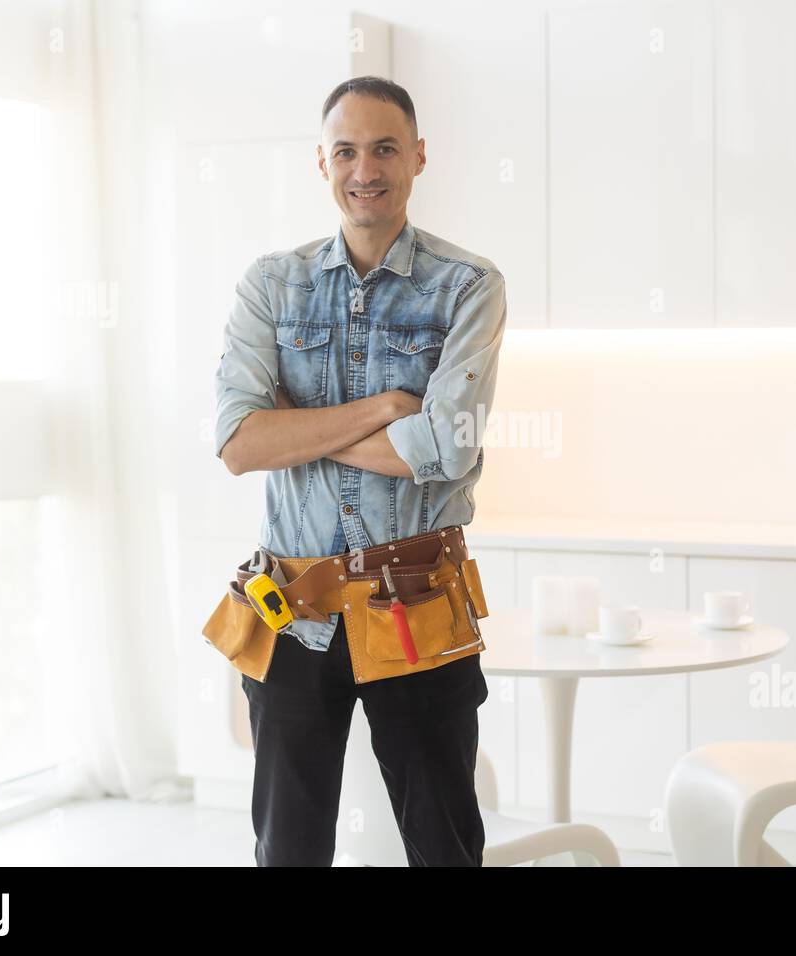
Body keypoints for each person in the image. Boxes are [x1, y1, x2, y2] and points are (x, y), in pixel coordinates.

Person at [212, 76, 507, 866]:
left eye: (384, 148)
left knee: (443, 846)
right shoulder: (271, 286)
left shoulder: (467, 287)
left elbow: (444, 451)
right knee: (289, 850)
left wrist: (295, 429)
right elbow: (240, 443)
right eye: (346, 150)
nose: (364, 169)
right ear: (322, 162)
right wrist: (385, 409)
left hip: (419, 605)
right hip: (292, 610)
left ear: (418, 156)